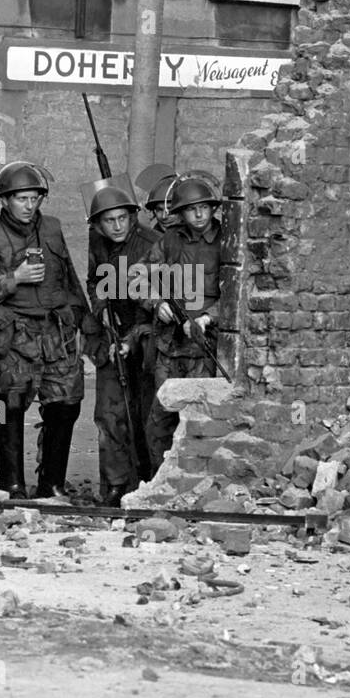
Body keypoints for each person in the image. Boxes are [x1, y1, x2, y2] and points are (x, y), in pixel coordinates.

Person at [0, 161, 88, 499]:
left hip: (55, 334)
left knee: (65, 405)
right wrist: (15, 278)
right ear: (5, 200)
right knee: (3, 409)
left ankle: (51, 484)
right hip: (13, 339)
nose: (28, 205)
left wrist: (83, 319)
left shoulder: (51, 229)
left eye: (34, 198)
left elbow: (69, 278)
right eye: (21, 198)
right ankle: (12, 484)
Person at [142, 176, 224, 474]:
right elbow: (139, 276)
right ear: (181, 213)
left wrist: (208, 317)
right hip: (170, 345)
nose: (200, 215)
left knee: (202, 422)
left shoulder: (227, 241)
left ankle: (196, 485)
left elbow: (236, 292)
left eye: (204, 207)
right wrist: (157, 302)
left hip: (207, 347)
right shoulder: (170, 240)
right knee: (160, 422)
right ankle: (159, 485)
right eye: (192, 209)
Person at [84, 184, 160, 503]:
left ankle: (150, 482)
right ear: (97, 225)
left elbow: (168, 299)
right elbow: (95, 282)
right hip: (111, 338)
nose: (116, 226)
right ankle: (115, 485)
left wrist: (131, 338)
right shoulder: (99, 243)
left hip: (147, 340)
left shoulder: (153, 244)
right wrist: (101, 310)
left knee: (148, 416)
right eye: (108, 221)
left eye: (122, 219)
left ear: (132, 218)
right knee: (109, 415)